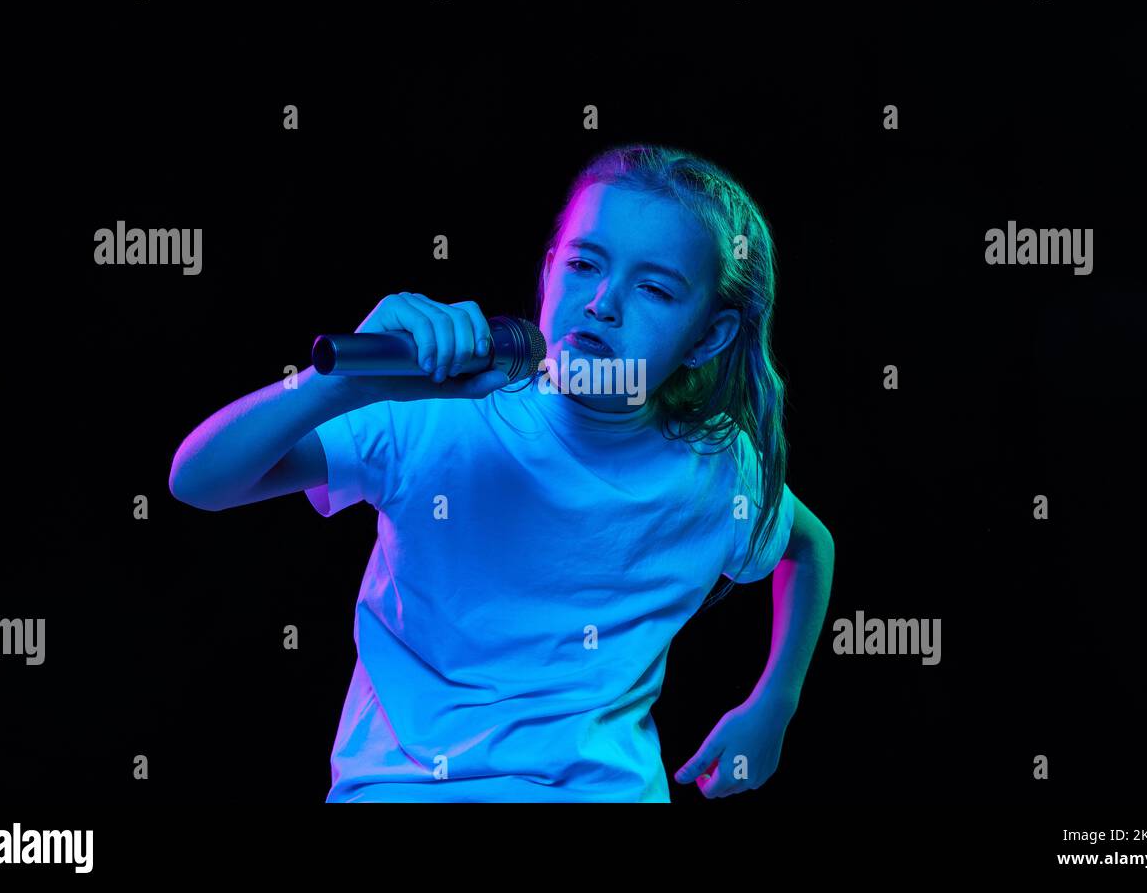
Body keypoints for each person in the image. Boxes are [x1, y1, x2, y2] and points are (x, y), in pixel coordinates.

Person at [169, 144, 835, 801]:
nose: (603, 303)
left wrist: (775, 702)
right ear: (549, 273)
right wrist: (339, 387)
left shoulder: (719, 472)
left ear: (710, 336)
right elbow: (198, 481)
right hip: (402, 789)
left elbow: (809, 547)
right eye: (583, 264)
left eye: (655, 289)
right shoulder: (436, 410)